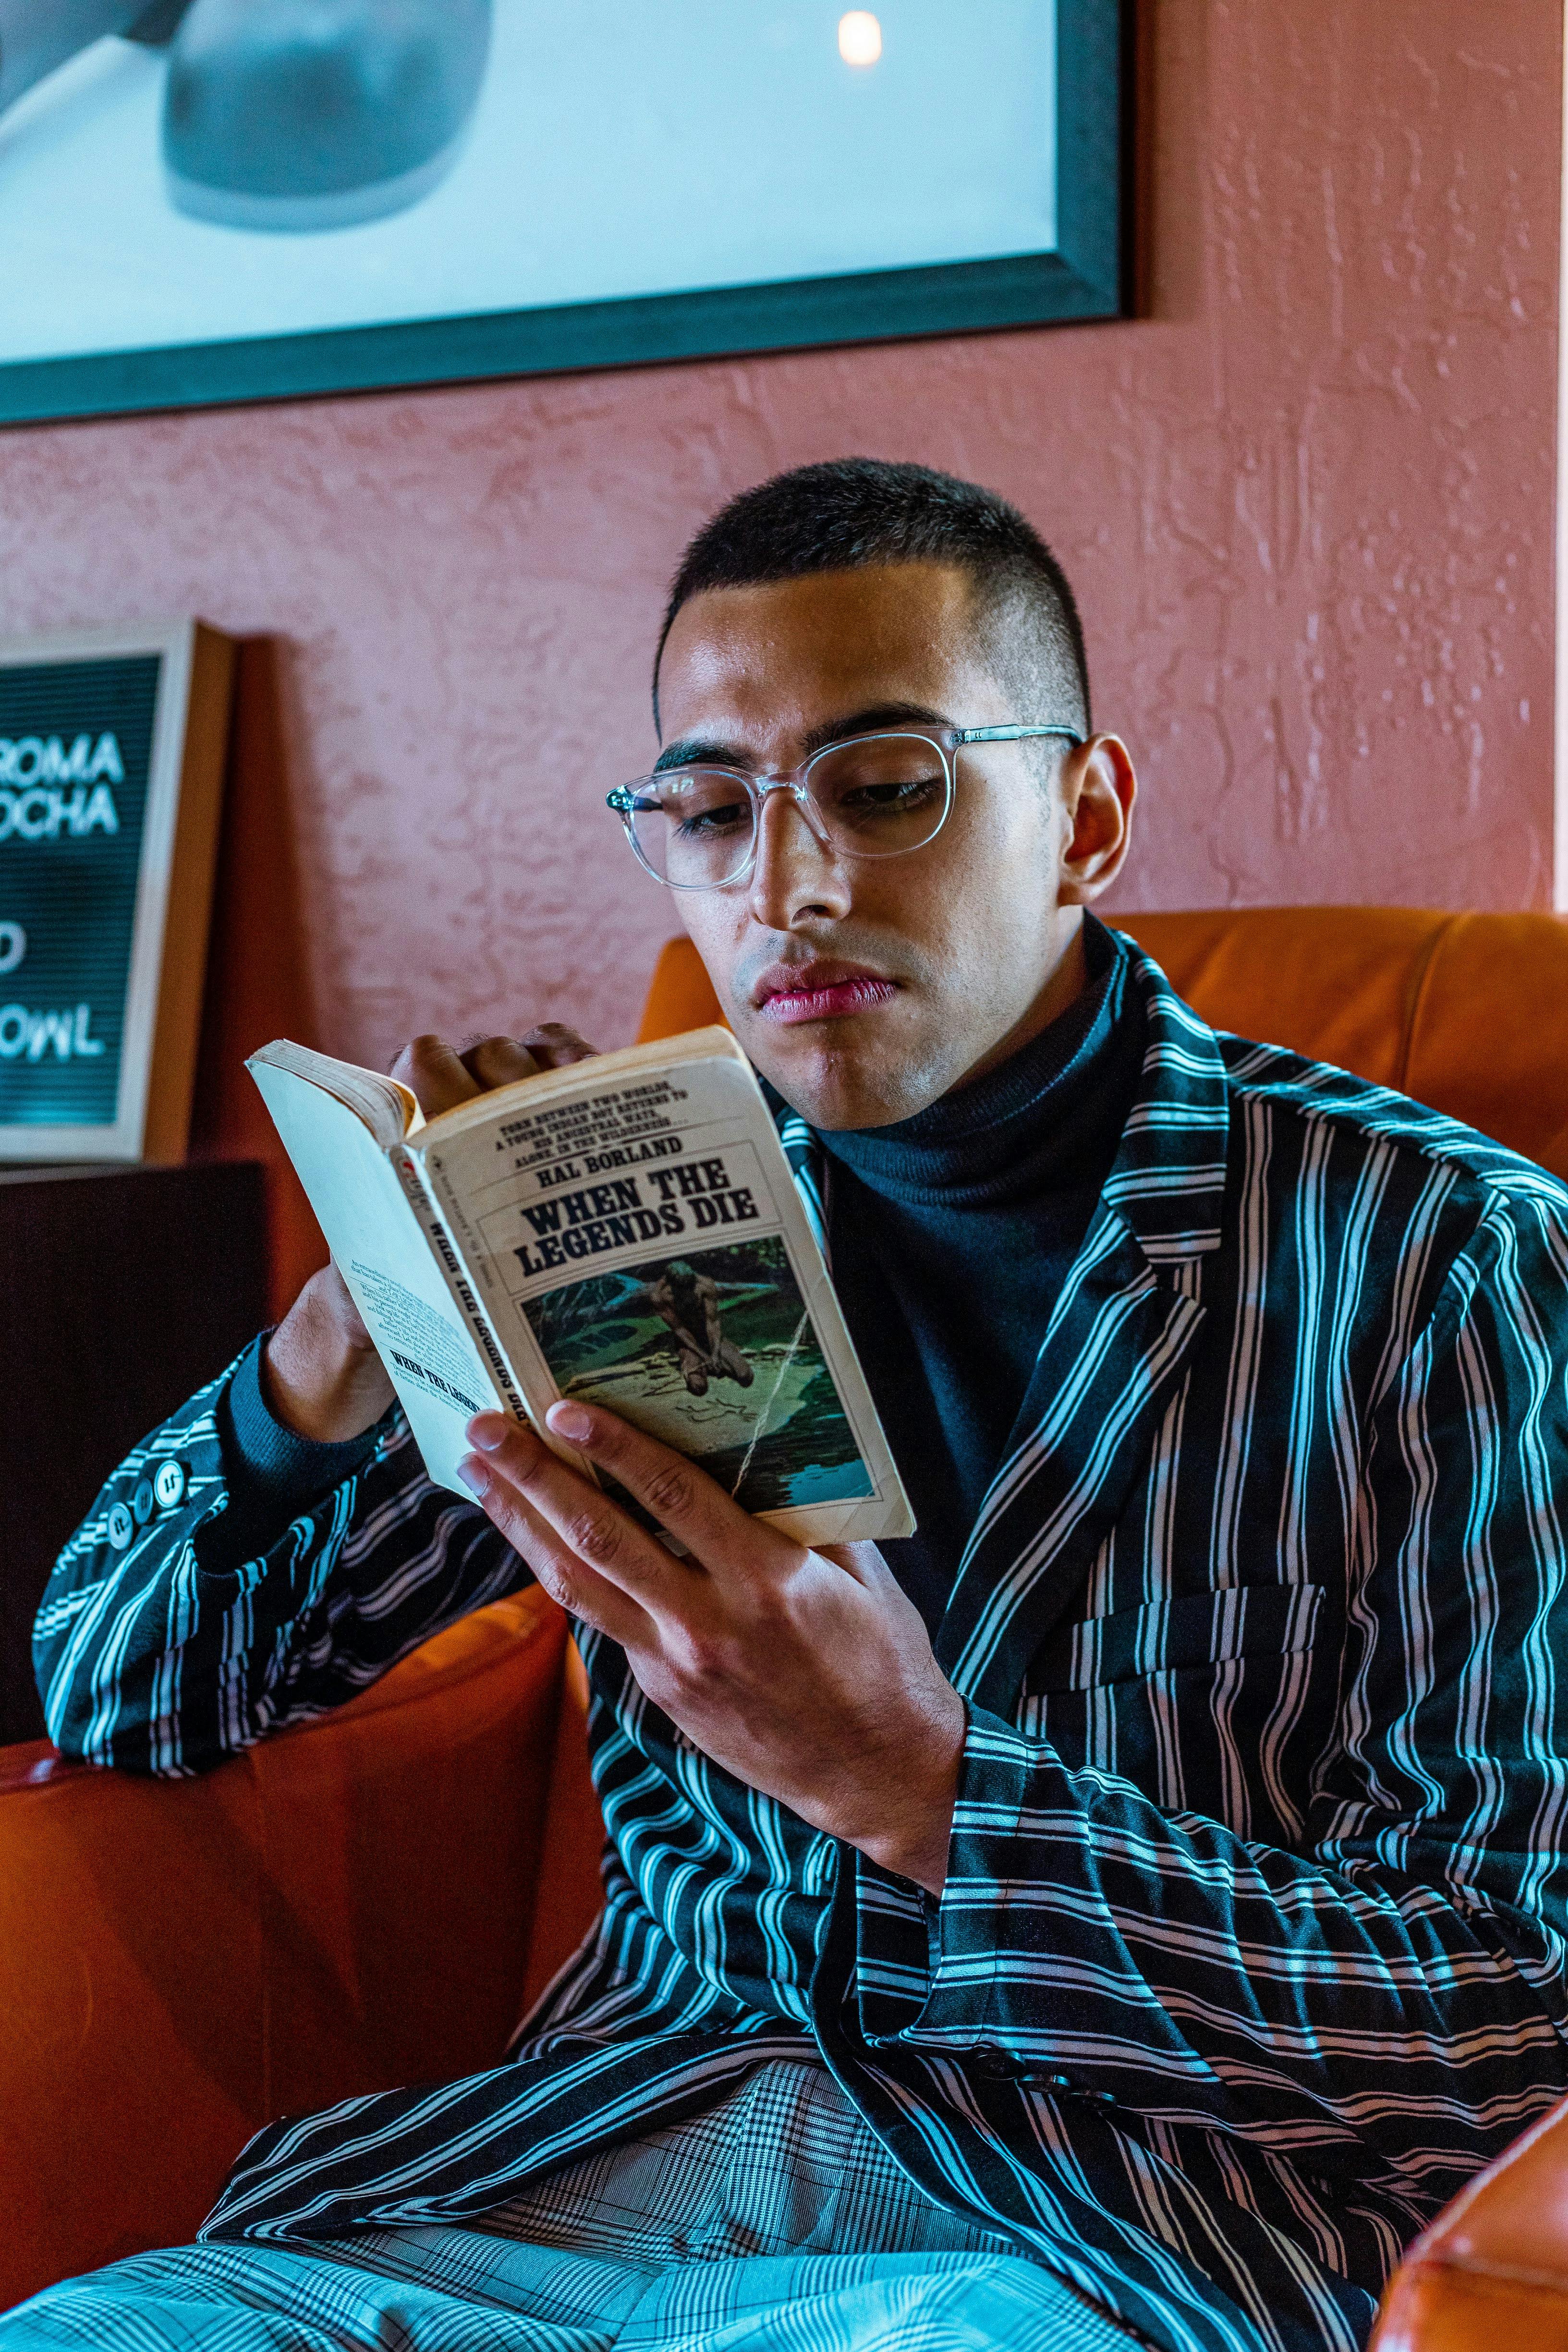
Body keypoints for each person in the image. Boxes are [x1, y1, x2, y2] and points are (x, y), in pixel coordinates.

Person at [14, 459, 1568, 2352]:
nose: (787, 882)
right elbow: (123, 1687)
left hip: (1081, 2236)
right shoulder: (639, 1210)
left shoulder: (1445, 1266)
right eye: (708, 806)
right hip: (564, 2182)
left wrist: (930, 1798)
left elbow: (1504, 2032)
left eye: (886, 784)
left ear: (1084, 819)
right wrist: (317, 1368)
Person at [646, 1259, 755, 1395]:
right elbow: (680, 1330)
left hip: (708, 1335)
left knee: (746, 1377)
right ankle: (700, 1365)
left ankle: (719, 1363)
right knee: (698, 1388)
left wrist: (715, 1354)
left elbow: (713, 1322)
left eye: (690, 1286)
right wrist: (704, 1356)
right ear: (673, 1286)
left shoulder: (705, 1285)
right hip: (687, 1341)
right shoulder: (659, 1296)